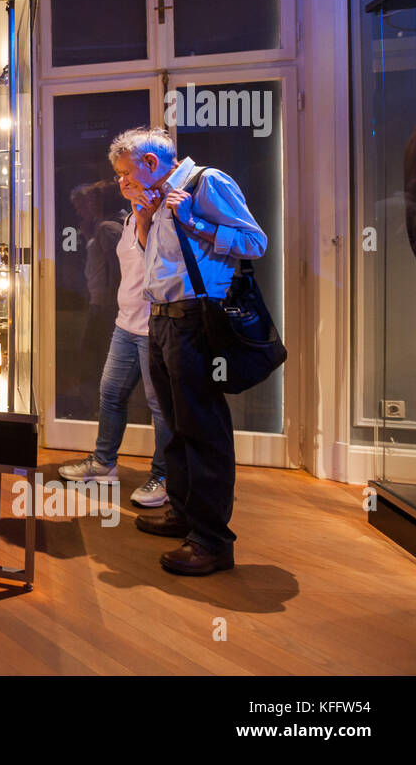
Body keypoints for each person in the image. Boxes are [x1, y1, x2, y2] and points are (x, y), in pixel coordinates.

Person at [108, 127, 267, 575]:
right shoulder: (159, 196)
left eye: (127, 172)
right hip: (161, 320)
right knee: (176, 427)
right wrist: (144, 214)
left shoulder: (206, 184)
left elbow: (255, 242)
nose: (124, 181)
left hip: (195, 321)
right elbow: (156, 259)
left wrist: (195, 222)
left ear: (151, 164)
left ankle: (212, 541)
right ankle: (183, 514)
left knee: (202, 429)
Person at [59, 167, 173, 507]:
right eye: (120, 176)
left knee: (160, 407)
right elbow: (123, 273)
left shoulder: (162, 218)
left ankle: (165, 476)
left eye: (129, 174)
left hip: (153, 326)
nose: (123, 181)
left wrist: (147, 218)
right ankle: (103, 463)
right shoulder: (123, 224)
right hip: (126, 324)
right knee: (110, 394)